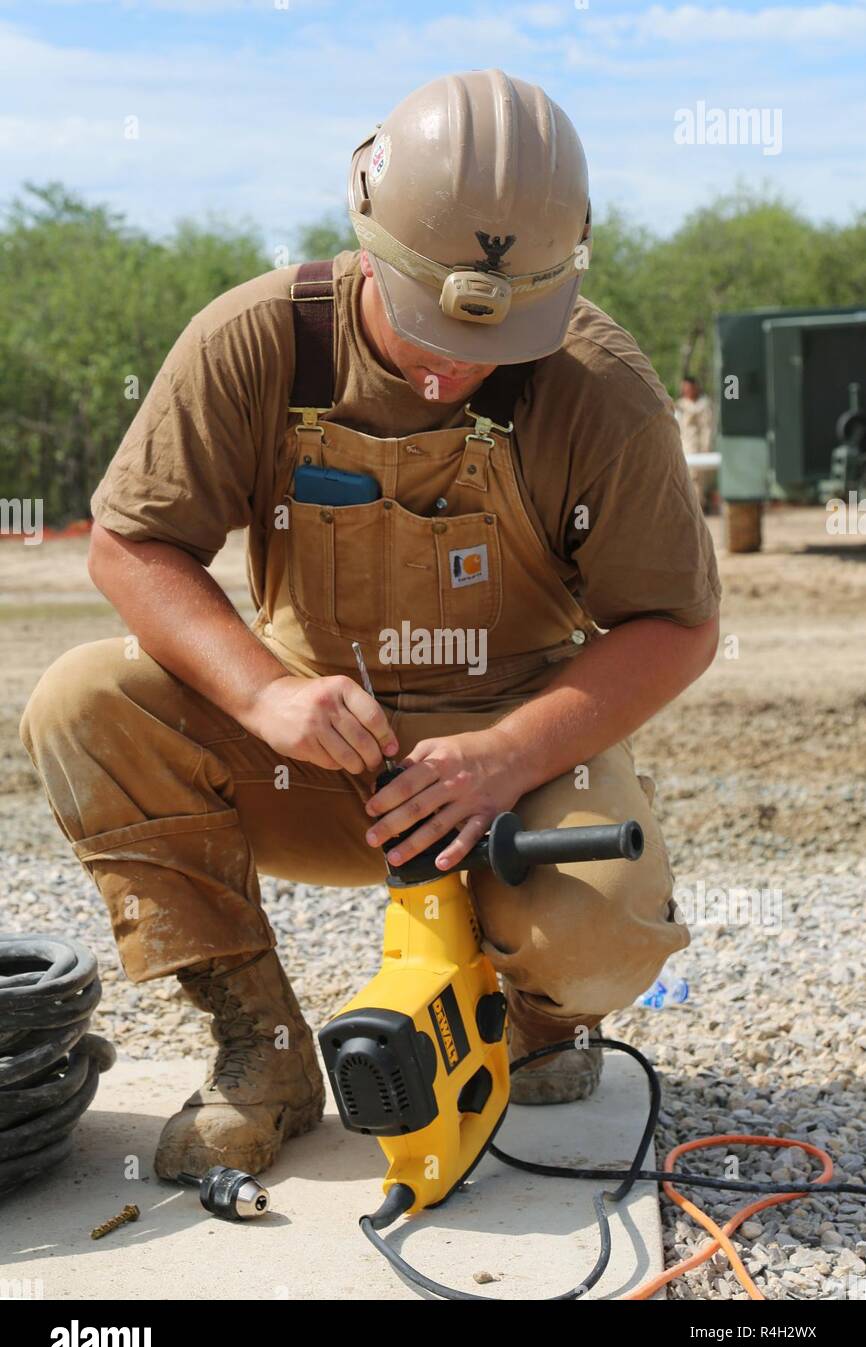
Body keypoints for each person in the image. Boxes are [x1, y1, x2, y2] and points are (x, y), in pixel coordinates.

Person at [19, 69, 721, 1180]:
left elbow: (676, 625)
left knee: (594, 935)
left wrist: (503, 756)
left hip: (512, 779)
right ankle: (262, 1048)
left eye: (491, 337)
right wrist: (263, 694)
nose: (450, 365)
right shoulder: (253, 343)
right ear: (366, 238)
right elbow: (131, 546)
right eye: (422, 321)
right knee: (82, 699)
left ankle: (530, 1023)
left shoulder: (598, 391)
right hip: (313, 763)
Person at [675, 375, 717, 511]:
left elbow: (708, 427)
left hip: (699, 446)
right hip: (684, 446)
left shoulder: (704, 405)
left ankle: (698, 506)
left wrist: (706, 445)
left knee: (698, 478)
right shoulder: (680, 405)